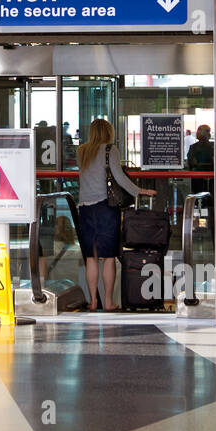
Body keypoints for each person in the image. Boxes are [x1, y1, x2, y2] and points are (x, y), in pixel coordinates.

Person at [75, 118, 155, 312]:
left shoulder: (81, 151)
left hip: (85, 209)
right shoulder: (110, 150)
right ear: (108, 132)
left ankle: (93, 301)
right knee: (109, 257)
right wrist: (140, 191)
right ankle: (109, 302)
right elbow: (119, 178)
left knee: (91, 258)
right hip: (105, 208)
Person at [185, 124, 214, 237]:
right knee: (208, 203)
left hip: (197, 178)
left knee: (197, 202)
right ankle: (208, 223)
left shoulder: (193, 148)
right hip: (210, 179)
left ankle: (199, 225)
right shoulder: (212, 147)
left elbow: (191, 163)